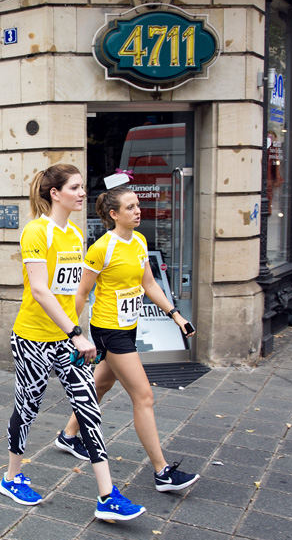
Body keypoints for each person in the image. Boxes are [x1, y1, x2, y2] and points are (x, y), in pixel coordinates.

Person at [0, 163, 145, 522]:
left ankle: (108, 495)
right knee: (28, 406)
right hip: (33, 337)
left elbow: (71, 292)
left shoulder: (77, 236)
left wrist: (77, 331)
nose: (82, 193)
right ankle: (12, 476)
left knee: (88, 409)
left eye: (82, 187)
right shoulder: (37, 232)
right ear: (55, 193)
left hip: (66, 340)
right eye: (75, 187)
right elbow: (40, 291)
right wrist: (77, 333)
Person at [56, 185, 200, 493]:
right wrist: (71, 333)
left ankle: (68, 436)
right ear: (113, 214)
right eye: (131, 207)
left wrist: (176, 315)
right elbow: (81, 292)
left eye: (138, 206)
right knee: (144, 396)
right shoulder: (101, 249)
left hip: (128, 327)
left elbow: (149, 283)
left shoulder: (139, 241)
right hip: (109, 330)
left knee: (101, 384)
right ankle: (162, 473)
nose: (138, 211)